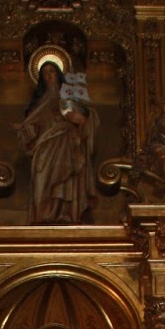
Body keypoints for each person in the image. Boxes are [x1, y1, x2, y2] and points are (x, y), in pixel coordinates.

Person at [15, 60, 98, 224]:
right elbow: (31, 125)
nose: (49, 75)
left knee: (65, 179)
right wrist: (24, 128)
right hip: (43, 147)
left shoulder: (66, 97)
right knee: (41, 178)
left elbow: (81, 117)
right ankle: (41, 217)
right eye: (45, 72)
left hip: (65, 142)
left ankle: (64, 214)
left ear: (58, 74)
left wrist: (81, 120)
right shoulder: (39, 101)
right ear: (41, 78)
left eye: (52, 71)